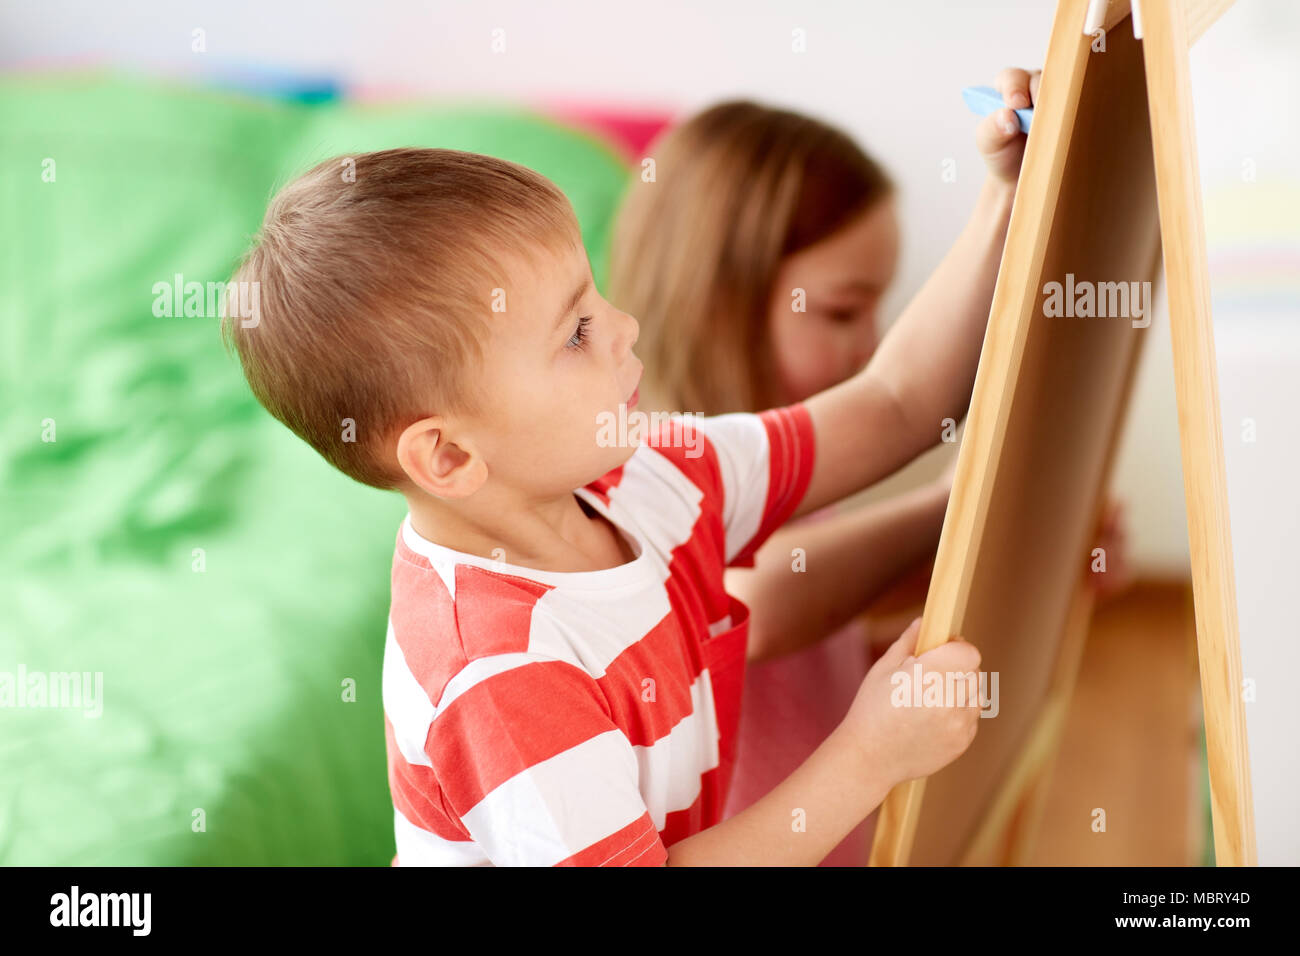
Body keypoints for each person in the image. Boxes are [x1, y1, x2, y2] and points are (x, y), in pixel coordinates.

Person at [219, 67, 1036, 865]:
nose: (626, 327)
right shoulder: (500, 675)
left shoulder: (647, 476)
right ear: (450, 454)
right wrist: (869, 756)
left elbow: (896, 403)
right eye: (574, 332)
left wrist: (1006, 197)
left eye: (594, 296)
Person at [609, 74, 1128, 865]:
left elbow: (830, 639)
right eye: (844, 312)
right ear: (720, 300)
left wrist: (1041, 560)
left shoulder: (783, 489)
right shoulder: (641, 464)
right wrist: (966, 506)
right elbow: (766, 603)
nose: (868, 341)